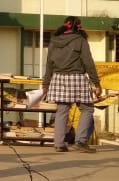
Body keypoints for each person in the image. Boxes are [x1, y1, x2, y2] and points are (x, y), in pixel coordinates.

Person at [42, 16, 102, 153]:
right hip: (77, 77)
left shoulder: (54, 41)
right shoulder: (80, 40)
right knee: (87, 108)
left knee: (62, 110)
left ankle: (59, 143)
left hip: (58, 77)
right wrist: (96, 83)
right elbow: (88, 62)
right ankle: (80, 141)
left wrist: (46, 84)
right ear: (78, 27)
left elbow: (49, 64)